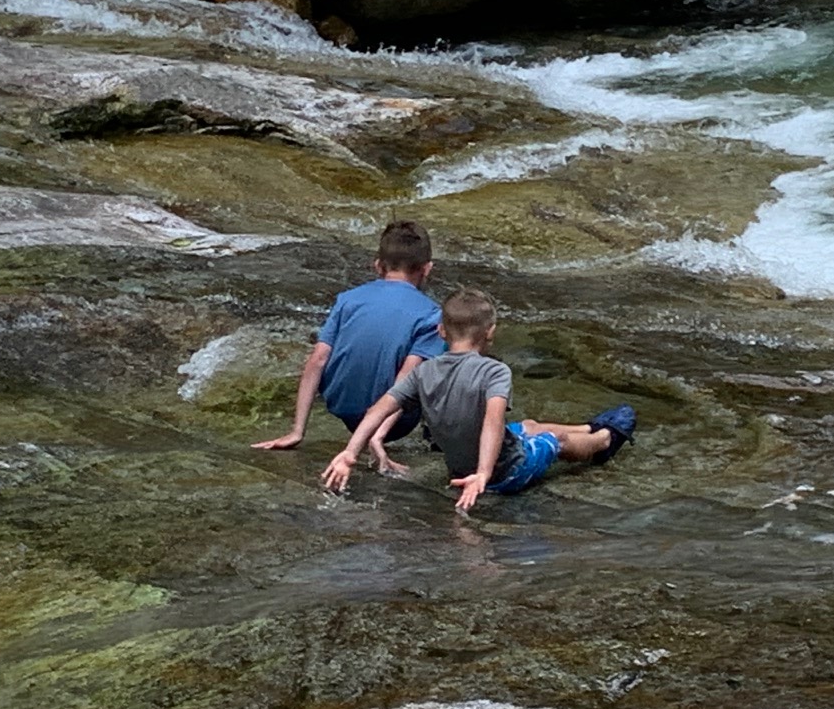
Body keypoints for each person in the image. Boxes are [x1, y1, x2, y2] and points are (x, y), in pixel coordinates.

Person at [322, 287, 636, 513]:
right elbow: (492, 423)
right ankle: (604, 439)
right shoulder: (494, 371)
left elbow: (379, 408)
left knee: (526, 426)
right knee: (557, 440)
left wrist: (350, 452)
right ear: (491, 332)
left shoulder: (423, 372)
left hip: (461, 473)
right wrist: (485, 473)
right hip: (506, 472)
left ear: (441, 330)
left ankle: (589, 425)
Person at [252, 220, 444, 476]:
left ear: (377, 265)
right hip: (395, 423)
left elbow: (317, 360)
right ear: (427, 269)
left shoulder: (348, 300)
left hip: (345, 408)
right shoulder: (432, 314)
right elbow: (405, 379)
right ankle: (439, 439)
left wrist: (297, 431)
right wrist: (377, 436)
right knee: (456, 350)